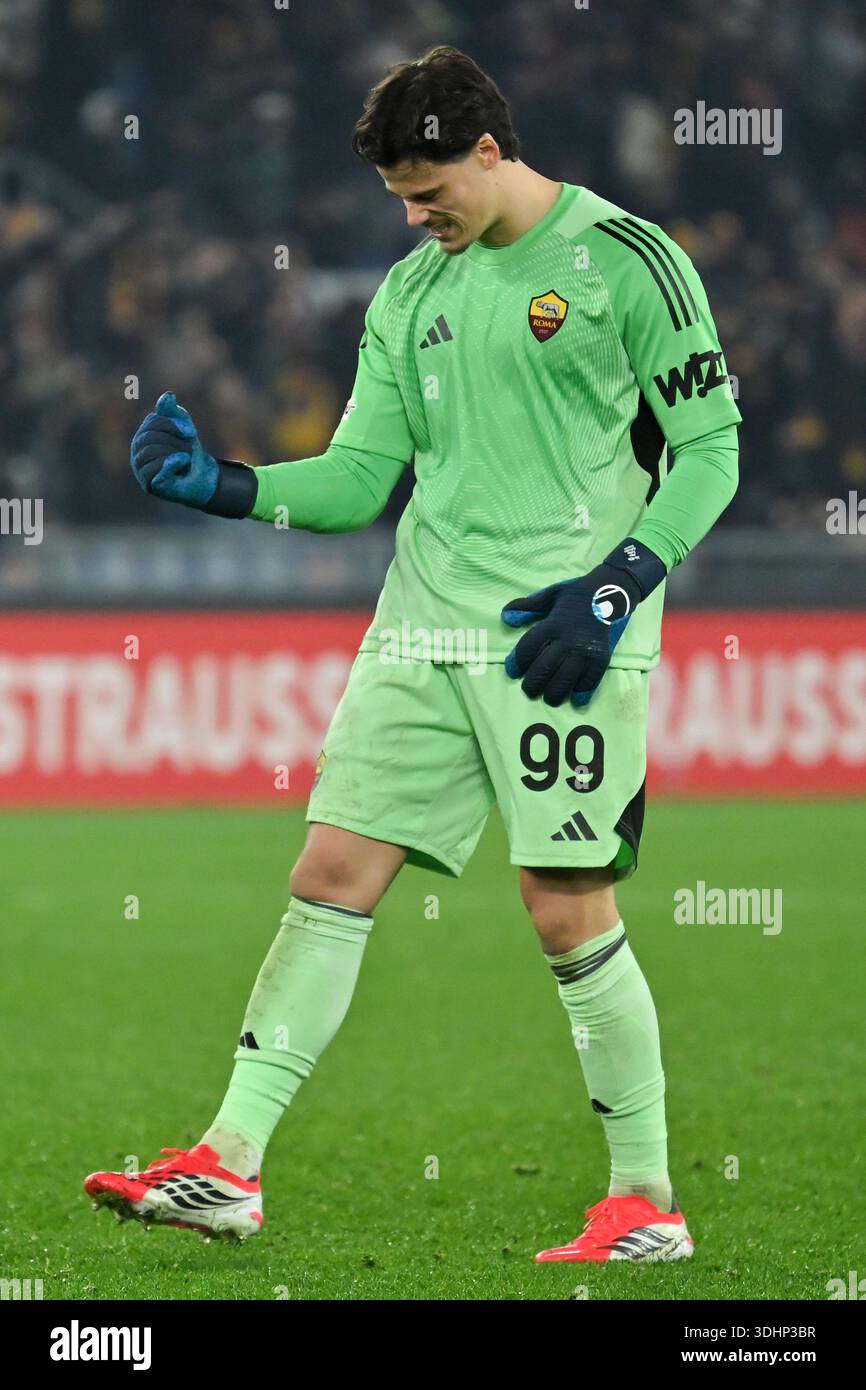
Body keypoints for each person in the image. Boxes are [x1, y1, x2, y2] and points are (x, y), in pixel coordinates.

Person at [85, 46, 740, 1263]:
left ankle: (646, 1199)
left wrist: (613, 591)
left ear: (490, 149)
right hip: (421, 621)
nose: (413, 213)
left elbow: (708, 449)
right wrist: (224, 486)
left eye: (427, 186)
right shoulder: (408, 293)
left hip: (563, 638)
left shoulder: (627, 261)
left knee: (563, 908)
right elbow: (354, 482)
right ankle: (229, 1164)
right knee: (329, 870)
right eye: (396, 195)